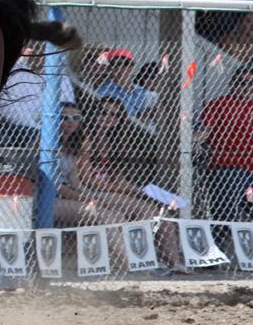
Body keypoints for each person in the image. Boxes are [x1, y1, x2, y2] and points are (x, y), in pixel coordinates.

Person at [53, 97, 183, 266]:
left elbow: (112, 177)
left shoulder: (108, 140)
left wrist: (139, 191)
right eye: (103, 112)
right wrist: (91, 197)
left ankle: (169, 262)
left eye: (114, 115)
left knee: (155, 211)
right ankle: (139, 262)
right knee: (140, 210)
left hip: (94, 190)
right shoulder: (82, 139)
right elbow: (86, 181)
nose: (108, 117)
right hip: (87, 191)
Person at [198, 68, 253, 223]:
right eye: (242, 82)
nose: (247, 87)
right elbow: (204, 132)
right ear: (232, 83)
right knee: (228, 207)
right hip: (224, 170)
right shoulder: (220, 104)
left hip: (252, 176)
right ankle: (218, 239)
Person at [90, 47, 157, 117]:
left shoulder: (142, 91)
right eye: (115, 64)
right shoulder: (104, 90)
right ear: (109, 68)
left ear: (131, 66)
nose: (120, 68)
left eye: (125, 63)